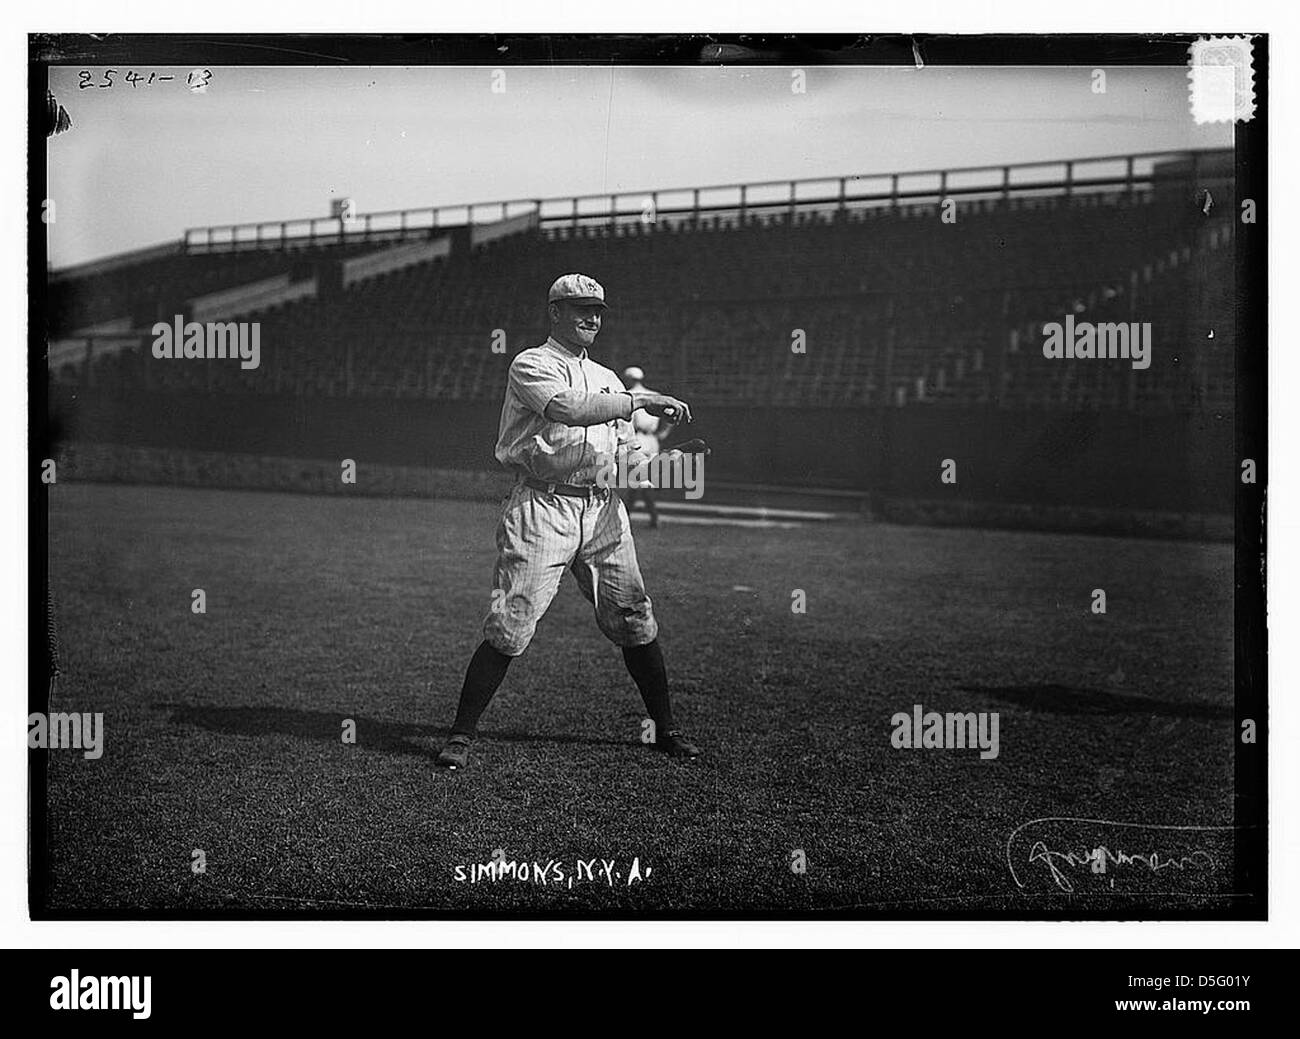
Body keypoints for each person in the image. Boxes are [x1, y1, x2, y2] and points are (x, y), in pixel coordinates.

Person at [434, 274, 703, 769]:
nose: (591, 317)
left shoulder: (608, 378)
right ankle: (460, 735)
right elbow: (566, 409)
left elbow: (622, 460)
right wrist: (640, 400)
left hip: (601, 509)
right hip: (543, 506)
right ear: (554, 311)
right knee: (512, 623)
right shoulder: (532, 364)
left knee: (634, 616)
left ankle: (667, 728)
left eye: (598, 310)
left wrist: (668, 462)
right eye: (579, 308)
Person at [620, 366, 672, 528]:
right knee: (641, 481)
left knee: (640, 480)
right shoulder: (654, 395)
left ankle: (643, 516)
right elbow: (670, 417)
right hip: (652, 440)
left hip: (639, 440)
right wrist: (662, 433)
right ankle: (641, 516)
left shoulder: (629, 396)